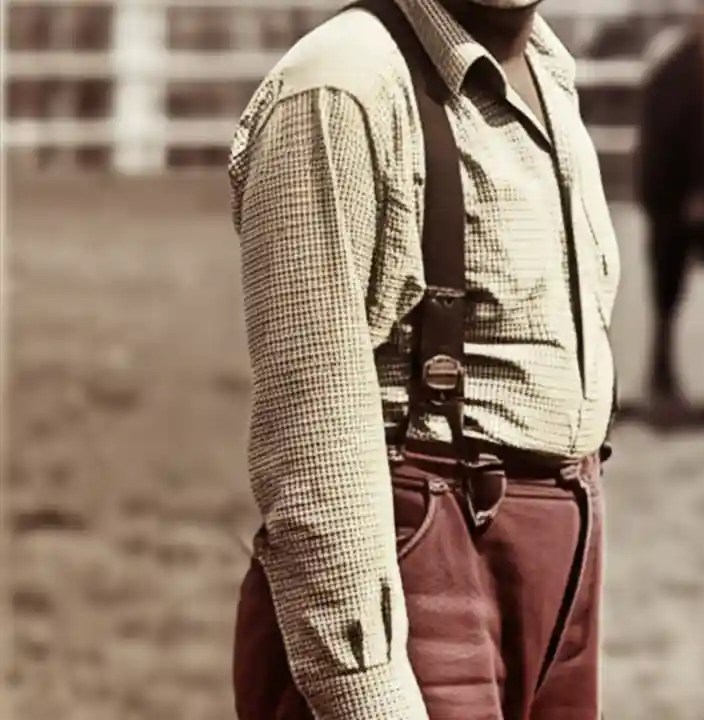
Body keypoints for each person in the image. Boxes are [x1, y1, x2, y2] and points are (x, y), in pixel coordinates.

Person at [226, 0, 619, 717]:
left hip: (560, 561)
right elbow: (310, 434)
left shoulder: (550, 71)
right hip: (424, 569)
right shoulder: (344, 84)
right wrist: (366, 686)